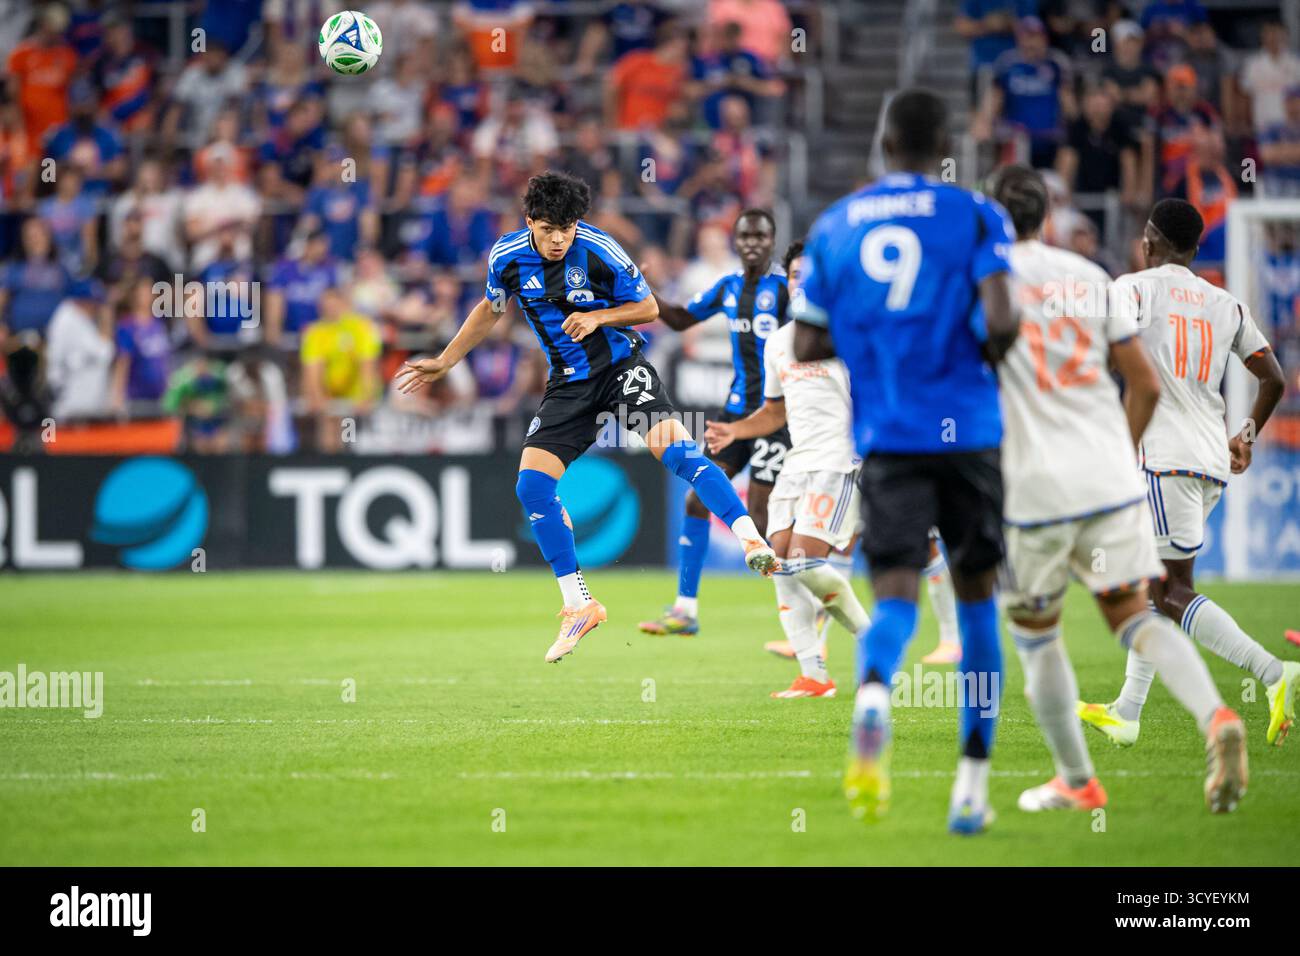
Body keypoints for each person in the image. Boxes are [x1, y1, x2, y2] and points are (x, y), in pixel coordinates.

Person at [395, 171, 778, 664]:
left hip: (621, 370)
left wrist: (599, 316)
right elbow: (491, 310)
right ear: (529, 221)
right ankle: (578, 604)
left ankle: (750, 538)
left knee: (682, 455)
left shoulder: (600, 249)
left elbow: (648, 306)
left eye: (568, 229)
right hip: (569, 386)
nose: (559, 239)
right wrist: (447, 359)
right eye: (550, 229)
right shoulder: (507, 257)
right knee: (532, 487)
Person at [990, 165, 1248, 815]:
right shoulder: (1092, 277)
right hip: (1109, 473)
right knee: (1137, 611)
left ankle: (1078, 781)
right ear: (1048, 217)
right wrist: (1116, 450)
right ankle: (1216, 715)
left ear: (995, 218)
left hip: (1037, 479)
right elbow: (1146, 383)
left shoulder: (985, 279)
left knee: (1038, 633)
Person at [793, 88, 1018, 834]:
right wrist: (969, 354)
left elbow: (806, 347)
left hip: (887, 439)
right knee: (978, 598)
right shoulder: (977, 213)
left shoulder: (834, 226)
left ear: (882, 145)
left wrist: (877, 343)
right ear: (944, 141)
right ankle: (972, 788)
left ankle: (871, 698)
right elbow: (1004, 320)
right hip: (970, 435)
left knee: (894, 600)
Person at [1078, 199, 1297, 749]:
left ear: (1149, 241)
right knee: (1156, 590)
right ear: (1196, 249)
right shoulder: (1226, 303)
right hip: (1210, 462)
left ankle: (1274, 672)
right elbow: (1273, 377)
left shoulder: (1135, 288)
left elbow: (1104, 354)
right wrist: (1244, 437)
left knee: (1170, 590)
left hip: (1163, 455)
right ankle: (1127, 712)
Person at [704, 240, 868, 698]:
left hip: (839, 462)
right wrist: (736, 432)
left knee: (806, 562)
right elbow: (776, 411)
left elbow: (872, 401)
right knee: (778, 563)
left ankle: (873, 641)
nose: (800, 284)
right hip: (795, 465)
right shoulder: (778, 342)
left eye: (808, 276)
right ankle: (814, 675)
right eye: (794, 276)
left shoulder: (847, 336)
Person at [638, 209, 791, 637]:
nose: (753, 244)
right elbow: (681, 320)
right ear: (736, 242)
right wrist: (645, 288)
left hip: (778, 417)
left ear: (772, 240)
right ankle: (685, 610)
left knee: (761, 519)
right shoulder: (728, 287)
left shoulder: (785, 292)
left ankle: (807, 615)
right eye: (745, 237)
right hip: (736, 413)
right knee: (695, 499)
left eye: (761, 236)